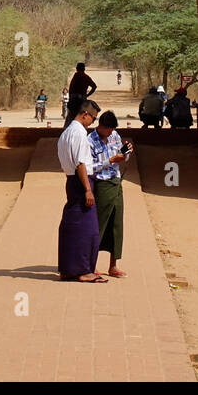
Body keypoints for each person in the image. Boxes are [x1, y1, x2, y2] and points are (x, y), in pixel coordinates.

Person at [57, 100, 106, 283]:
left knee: (72, 226)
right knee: (88, 230)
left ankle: (69, 269)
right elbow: (80, 163)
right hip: (81, 182)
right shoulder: (78, 133)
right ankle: (83, 269)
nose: (92, 122)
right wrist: (87, 189)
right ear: (85, 114)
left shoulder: (66, 133)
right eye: (93, 118)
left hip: (71, 181)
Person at [87, 110, 133, 278]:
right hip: (102, 185)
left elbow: (123, 156)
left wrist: (125, 154)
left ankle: (113, 265)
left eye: (114, 129)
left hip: (116, 183)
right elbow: (90, 167)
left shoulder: (115, 136)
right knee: (99, 225)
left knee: (116, 225)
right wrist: (110, 161)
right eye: (109, 129)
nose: (112, 132)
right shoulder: (90, 141)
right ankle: (91, 264)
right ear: (101, 126)